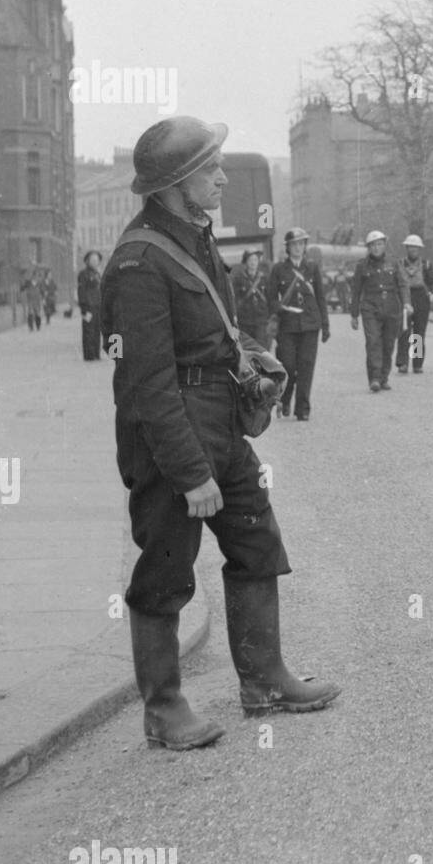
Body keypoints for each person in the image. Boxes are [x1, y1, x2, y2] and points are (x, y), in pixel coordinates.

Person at [101, 115, 339, 749]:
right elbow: (147, 385)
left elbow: (211, 332)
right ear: (177, 182)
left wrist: (251, 356)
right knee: (165, 573)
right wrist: (189, 473)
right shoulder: (138, 261)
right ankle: (165, 710)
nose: (223, 178)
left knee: (258, 541)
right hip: (171, 435)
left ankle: (264, 679)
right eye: (212, 169)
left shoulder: (193, 236)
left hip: (221, 423)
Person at [267, 227, 330, 420]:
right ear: (288, 248)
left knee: (306, 367)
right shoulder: (279, 269)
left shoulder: (312, 268)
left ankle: (302, 409)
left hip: (310, 324)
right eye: (294, 244)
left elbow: (320, 297)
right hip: (287, 326)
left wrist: (325, 325)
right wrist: (278, 307)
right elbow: (270, 298)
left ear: (305, 247)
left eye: (301, 244)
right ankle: (285, 399)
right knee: (288, 365)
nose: (298, 248)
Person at [349, 231, 410, 392]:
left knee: (388, 343)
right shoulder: (362, 265)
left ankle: (384, 377)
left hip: (392, 307)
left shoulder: (394, 262)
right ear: (368, 248)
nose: (376, 248)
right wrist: (354, 315)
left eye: (379, 244)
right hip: (370, 307)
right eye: (373, 245)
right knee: (373, 341)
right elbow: (356, 291)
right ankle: (374, 378)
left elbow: (403, 284)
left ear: (384, 245)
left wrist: (406, 303)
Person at [395, 234, 433, 375]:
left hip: (421, 298)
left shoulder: (426, 264)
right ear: (406, 248)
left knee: (419, 333)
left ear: (419, 249)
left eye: (416, 247)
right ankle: (402, 363)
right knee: (404, 331)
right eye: (410, 247)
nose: (413, 249)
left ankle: (417, 363)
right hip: (404, 298)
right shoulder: (400, 264)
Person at [234, 248, 273, 348]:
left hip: (261, 320)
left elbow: (270, 298)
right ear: (246, 262)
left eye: (255, 260)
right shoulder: (239, 279)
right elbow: (235, 299)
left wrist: (271, 316)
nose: (253, 263)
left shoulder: (264, 278)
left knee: (262, 348)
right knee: (247, 348)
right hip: (245, 321)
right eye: (250, 260)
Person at [78, 251, 104, 360]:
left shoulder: (98, 274)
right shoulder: (83, 274)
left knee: (97, 331)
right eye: (93, 260)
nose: (95, 262)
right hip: (88, 306)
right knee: (88, 331)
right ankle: (89, 355)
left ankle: (96, 354)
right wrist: (83, 307)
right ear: (87, 261)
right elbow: (81, 291)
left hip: (97, 306)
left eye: (97, 260)